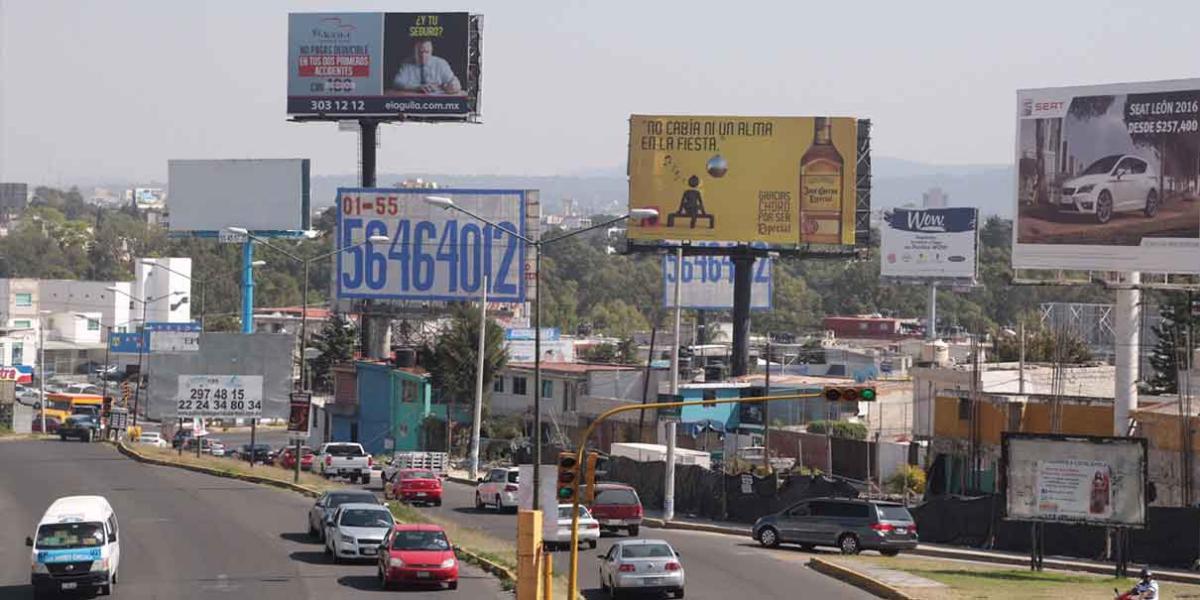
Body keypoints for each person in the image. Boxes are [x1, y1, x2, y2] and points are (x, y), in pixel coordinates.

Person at [391, 39, 462, 94]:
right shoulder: (406, 63)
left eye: (426, 52)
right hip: (413, 102)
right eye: (420, 52)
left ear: (431, 52)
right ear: (414, 52)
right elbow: (397, 83)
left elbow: (453, 81)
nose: (423, 56)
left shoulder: (441, 63)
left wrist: (453, 86)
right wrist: (416, 88)